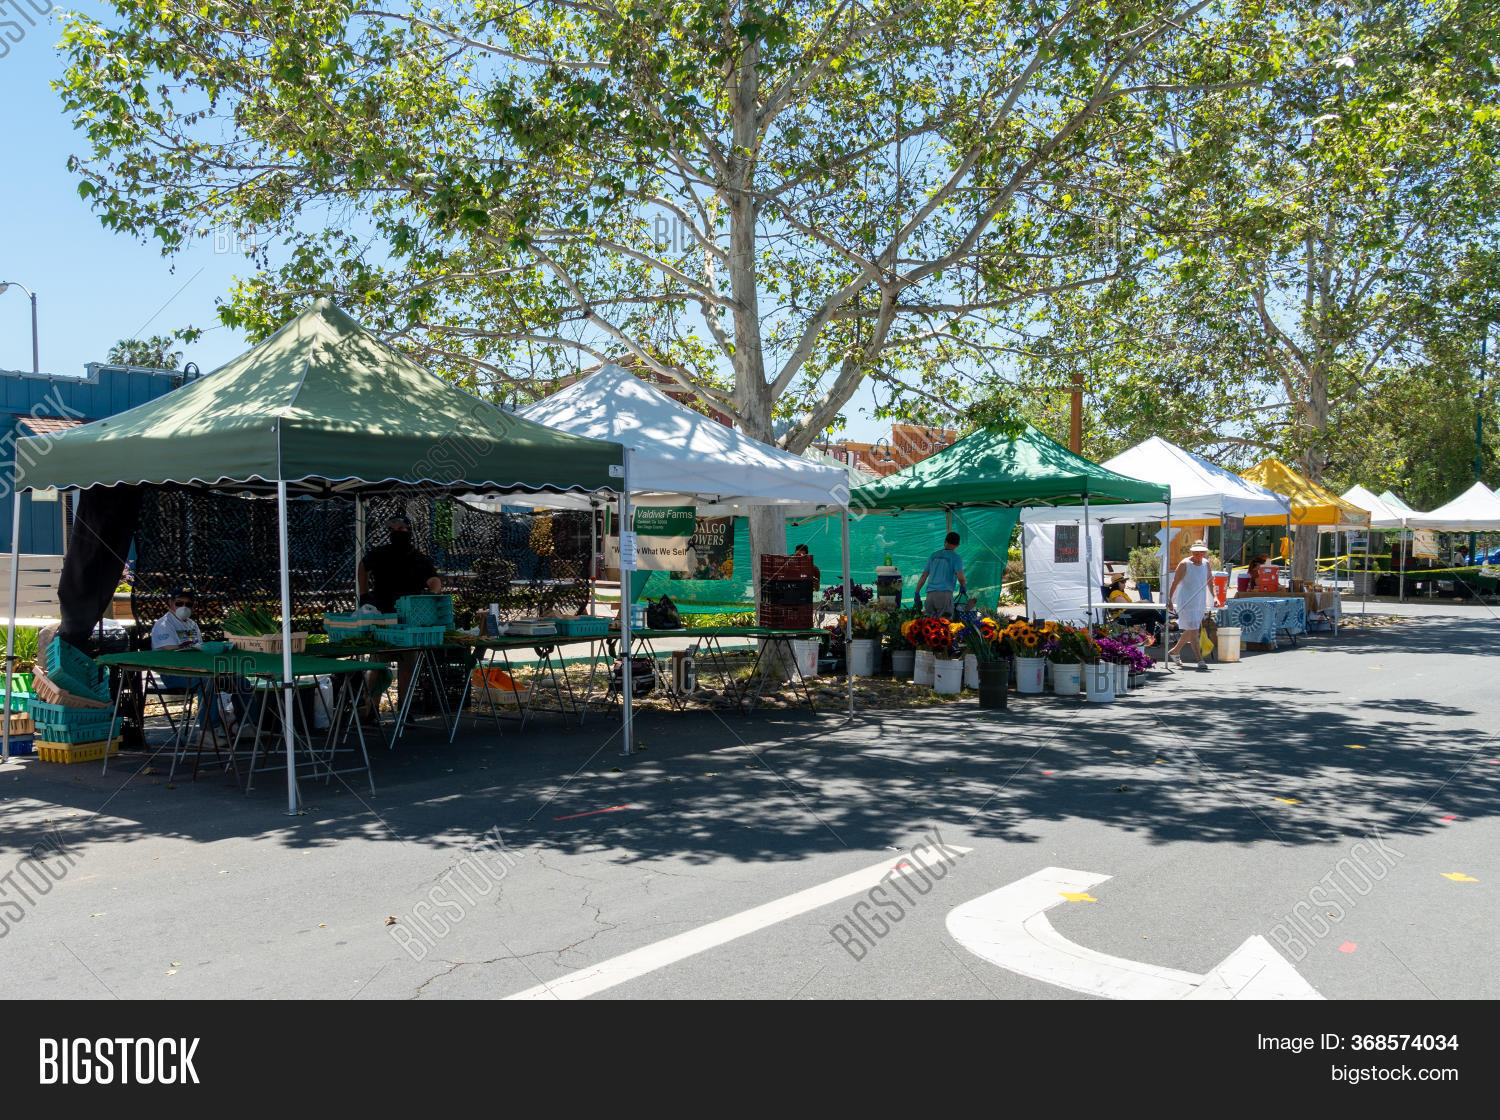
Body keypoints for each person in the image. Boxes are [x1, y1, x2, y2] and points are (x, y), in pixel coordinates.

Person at [356, 514, 443, 719]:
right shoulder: (380, 553)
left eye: (402, 529)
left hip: (409, 620)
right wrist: (363, 594)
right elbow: (363, 566)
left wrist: (432, 596)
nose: (397, 532)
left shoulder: (419, 558)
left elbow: (434, 580)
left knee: (407, 665)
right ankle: (371, 709)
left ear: (409, 531)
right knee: (378, 663)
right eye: (394, 529)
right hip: (383, 618)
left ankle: (405, 709)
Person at [149, 587, 254, 739]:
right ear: (171, 603)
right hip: (173, 673)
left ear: (194, 606)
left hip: (198, 670)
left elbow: (200, 649)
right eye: (179, 603)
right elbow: (169, 650)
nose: (184, 607)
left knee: (240, 681)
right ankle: (208, 732)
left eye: (188, 604)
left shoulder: (192, 624)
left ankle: (245, 726)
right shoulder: (164, 624)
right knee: (208, 682)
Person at [1167, 541, 1214, 669]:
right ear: (1192, 552)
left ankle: (1175, 651)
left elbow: (1210, 582)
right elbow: (1175, 583)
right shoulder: (1184, 564)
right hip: (1186, 600)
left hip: (1199, 600)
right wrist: (1170, 600)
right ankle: (1199, 659)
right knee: (1193, 629)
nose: (1200, 554)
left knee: (1191, 627)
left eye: (1202, 552)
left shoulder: (1206, 564)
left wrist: (1214, 598)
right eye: (1197, 552)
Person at [913, 532, 966, 617]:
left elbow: (924, 575)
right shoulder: (956, 558)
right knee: (944, 625)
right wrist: (963, 586)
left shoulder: (934, 555)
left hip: (930, 596)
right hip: (944, 596)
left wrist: (917, 592)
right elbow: (961, 578)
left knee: (930, 626)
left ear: (945, 541)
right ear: (958, 545)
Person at [1106, 574, 1162, 642]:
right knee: (1151, 611)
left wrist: (1141, 603)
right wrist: (1141, 602)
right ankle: (1167, 625)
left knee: (1151, 618)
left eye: (1125, 582)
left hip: (1127, 614)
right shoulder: (1115, 593)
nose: (1124, 583)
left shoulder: (1121, 593)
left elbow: (1128, 606)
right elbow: (1125, 606)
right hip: (1122, 615)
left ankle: (1148, 639)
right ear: (1116, 584)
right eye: (1122, 582)